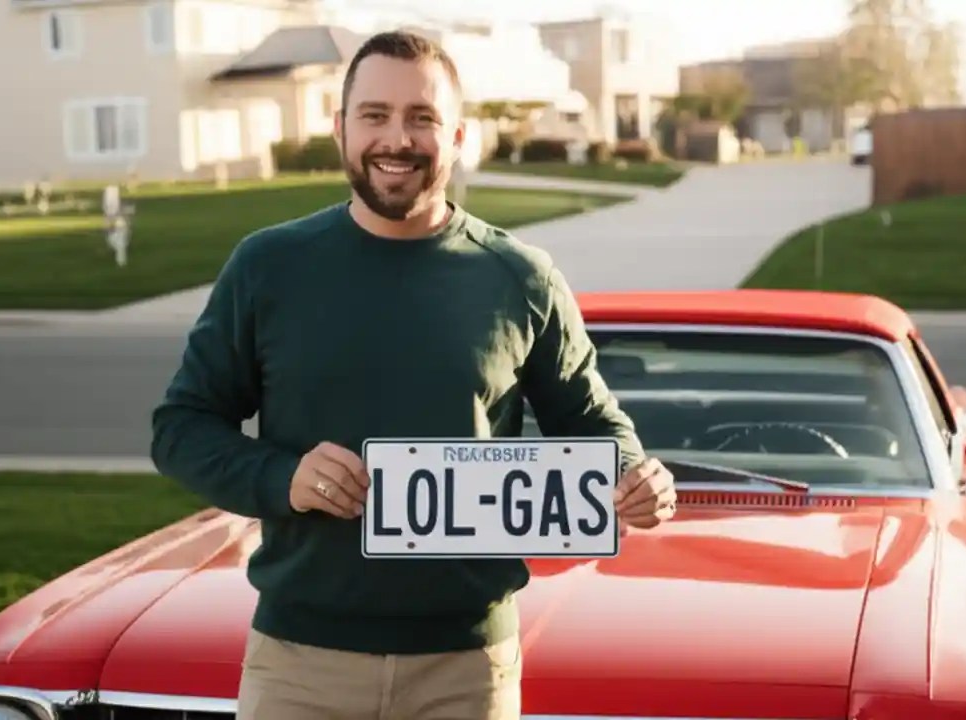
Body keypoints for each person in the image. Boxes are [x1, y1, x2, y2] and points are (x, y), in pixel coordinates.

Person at [149, 29, 676, 720]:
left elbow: (593, 421)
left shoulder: (521, 278)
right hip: (299, 665)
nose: (396, 139)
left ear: (457, 136)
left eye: (421, 118)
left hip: (467, 669)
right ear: (340, 130)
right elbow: (181, 428)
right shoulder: (268, 268)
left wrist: (635, 473)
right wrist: (284, 478)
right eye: (375, 115)